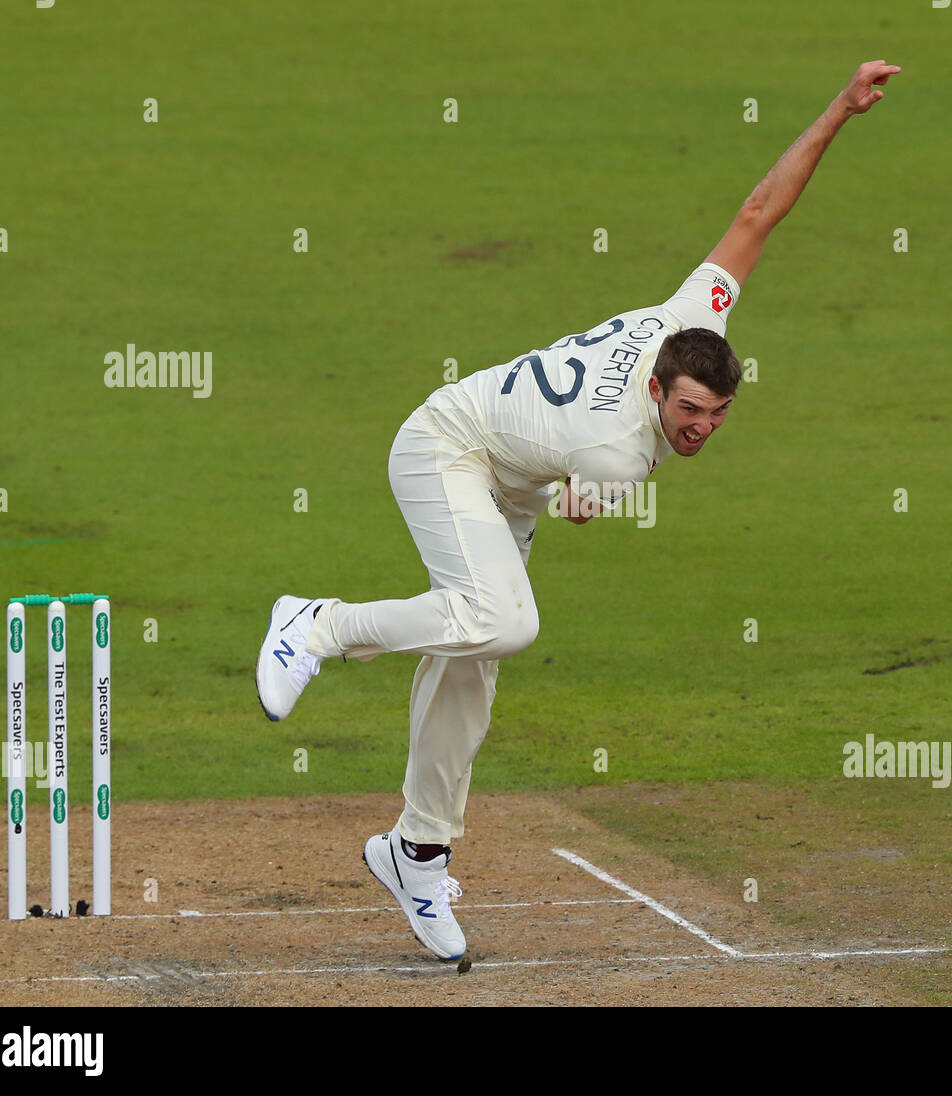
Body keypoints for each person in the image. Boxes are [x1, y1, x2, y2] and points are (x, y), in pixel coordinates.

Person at [256, 60, 901, 960]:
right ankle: (316, 625)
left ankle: (417, 853)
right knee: (502, 621)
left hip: (511, 479)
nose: (700, 430)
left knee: (468, 669)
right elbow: (582, 500)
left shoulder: (691, 313)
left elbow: (759, 212)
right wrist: (586, 496)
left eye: (717, 416)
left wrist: (838, 109)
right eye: (686, 412)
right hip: (447, 447)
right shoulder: (618, 451)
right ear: (657, 385)